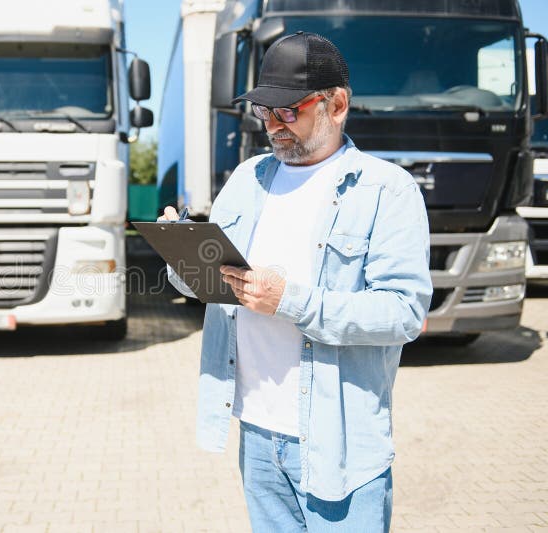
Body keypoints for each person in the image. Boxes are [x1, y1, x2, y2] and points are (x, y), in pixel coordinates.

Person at [159, 32, 432, 532]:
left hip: (338, 444)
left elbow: (403, 312)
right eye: (265, 112)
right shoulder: (247, 178)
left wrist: (291, 301)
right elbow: (207, 284)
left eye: (290, 111)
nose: (275, 126)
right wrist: (181, 254)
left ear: (338, 104)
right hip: (257, 433)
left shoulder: (386, 190)